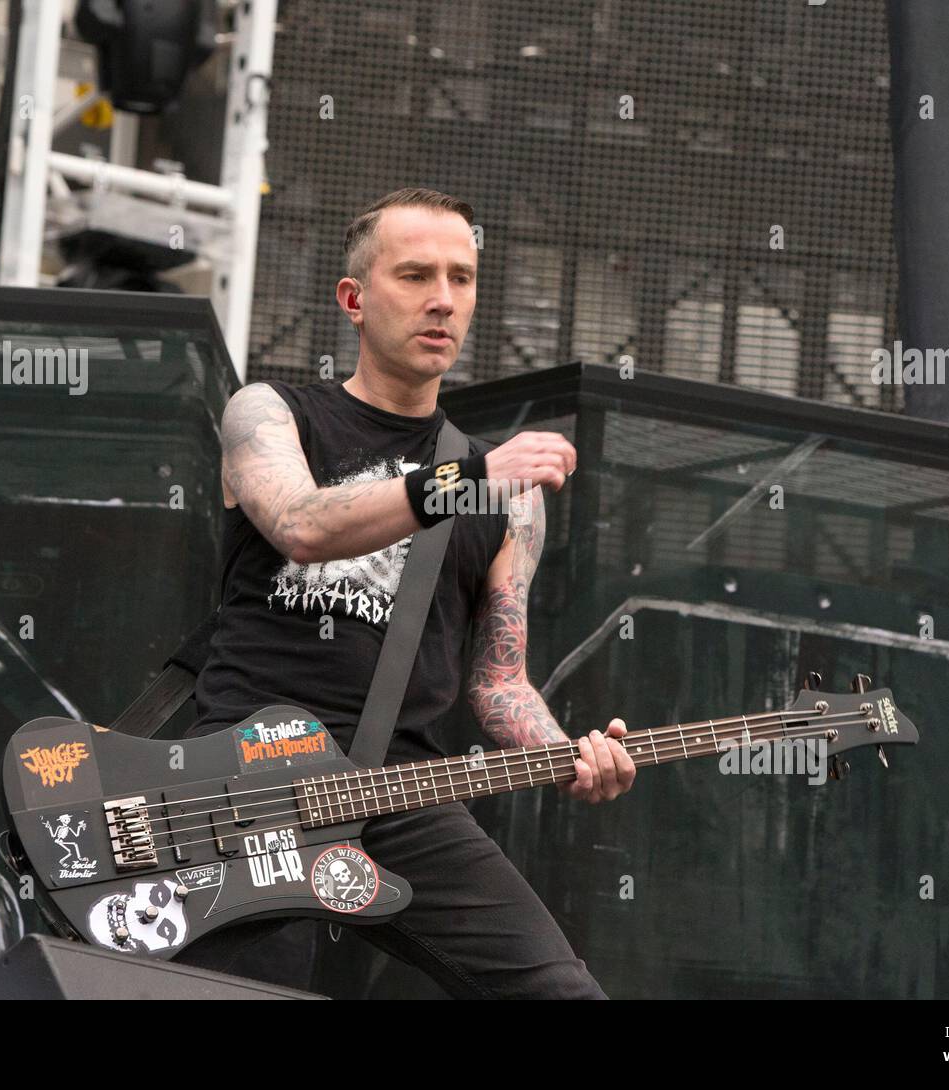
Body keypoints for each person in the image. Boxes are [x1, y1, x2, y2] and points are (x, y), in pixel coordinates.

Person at [177, 188, 634, 999]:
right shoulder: (272, 411)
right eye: (417, 274)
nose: (443, 299)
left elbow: (498, 683)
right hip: (244, 776)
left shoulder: (508, 497)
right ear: (354, 299)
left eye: (462, 278)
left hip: (402, 793)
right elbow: (302, 525)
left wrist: (569, 755)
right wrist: (475, 475)